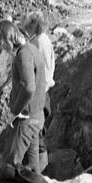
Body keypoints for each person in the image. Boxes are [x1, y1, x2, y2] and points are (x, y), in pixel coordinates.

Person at [0, 19, 48, 183]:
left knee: (11, 165)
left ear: (5, 39)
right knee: (33, 168)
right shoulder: (31, 49)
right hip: (37, 116)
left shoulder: (24, 55)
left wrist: (15, 108)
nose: (2, 50)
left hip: (27, 119)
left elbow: (29, 87)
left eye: (0, 45)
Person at [22, 12, 54, 171]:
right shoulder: (37, 40)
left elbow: (42, 71)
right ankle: (35, 167)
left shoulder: (41, 42)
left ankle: (40, 170)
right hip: (38, 92)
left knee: (37, 133)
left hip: (40, 94)